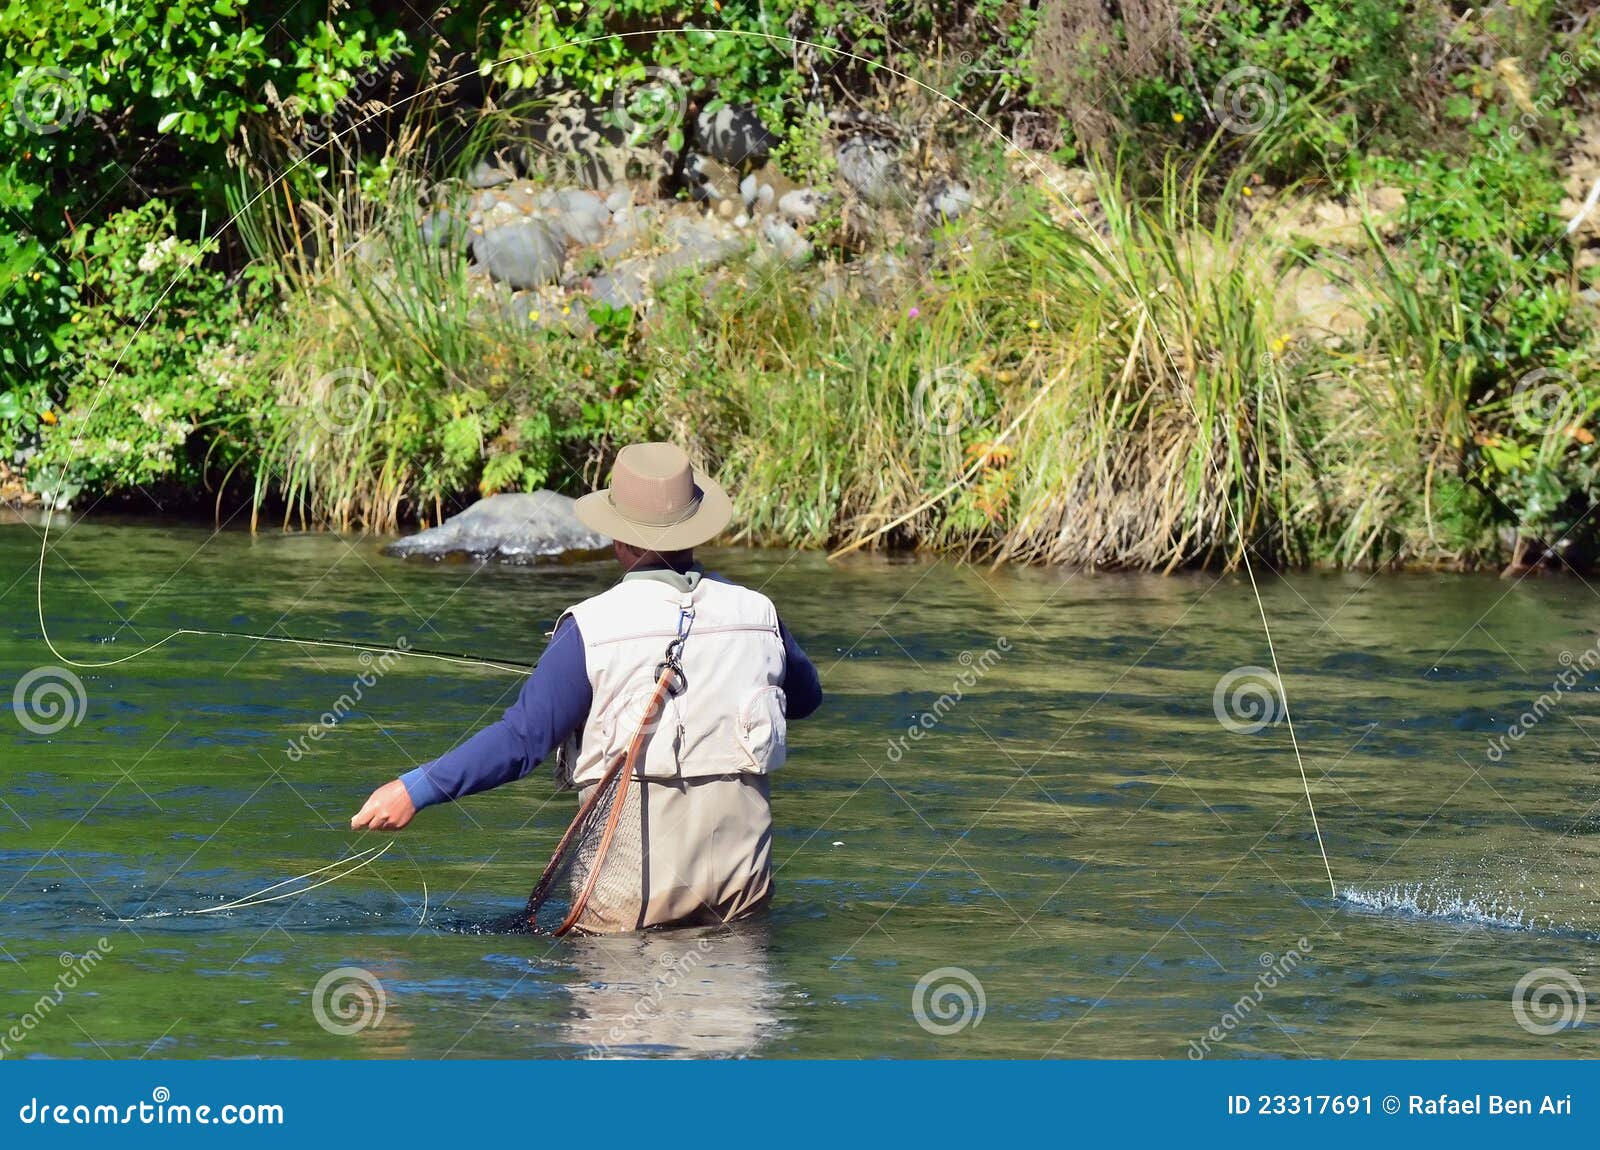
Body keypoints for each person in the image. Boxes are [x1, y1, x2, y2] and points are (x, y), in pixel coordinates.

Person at [350, 442, 823, 931]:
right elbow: (807, 698)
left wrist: (416, 788)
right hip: (739, 921)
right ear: (694, 530)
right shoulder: (760, 615)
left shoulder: (589, 629)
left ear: (622, 540)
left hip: (624, 925)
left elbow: (521, 743)